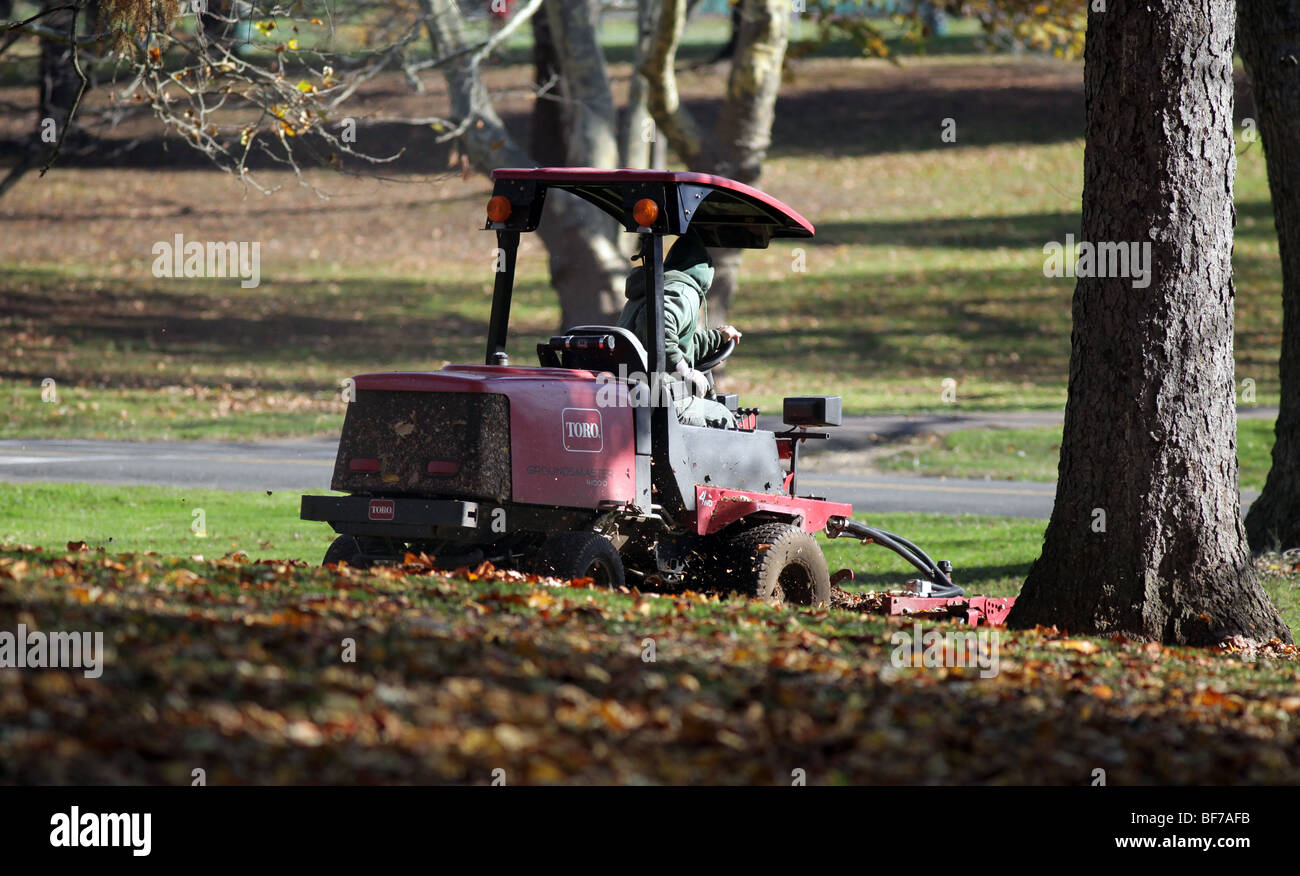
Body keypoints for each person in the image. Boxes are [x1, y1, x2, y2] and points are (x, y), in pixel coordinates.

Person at [618, 233, 743, 428]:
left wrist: (718, 337)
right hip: (657, 394)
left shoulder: (654, 287)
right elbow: (654, 326)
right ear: (705, 273)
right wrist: (686, 371)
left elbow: (678, 339)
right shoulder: (683, 290)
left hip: (629, 387)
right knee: (724, 417)